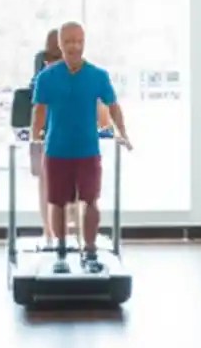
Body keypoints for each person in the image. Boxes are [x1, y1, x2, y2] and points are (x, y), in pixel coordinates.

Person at [30, 21, 131, 273]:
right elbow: (39, 111)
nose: (74, 46)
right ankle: (61, 250)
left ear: (84, 43)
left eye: (78, 41)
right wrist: (34, 139)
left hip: (87, 151)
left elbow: (113, 106)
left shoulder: (98, 76)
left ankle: (90, 250)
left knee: (91, 201)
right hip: (57, 151)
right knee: (58, 203)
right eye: (68, 42)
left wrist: (124, 134)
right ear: (60, 45)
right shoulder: (46, 78)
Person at [29, 28, 62, 245]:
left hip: (57, 133)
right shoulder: (42, 70)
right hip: (45, 133)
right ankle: (49, 231)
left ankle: (56, 232)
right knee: (45, 183)